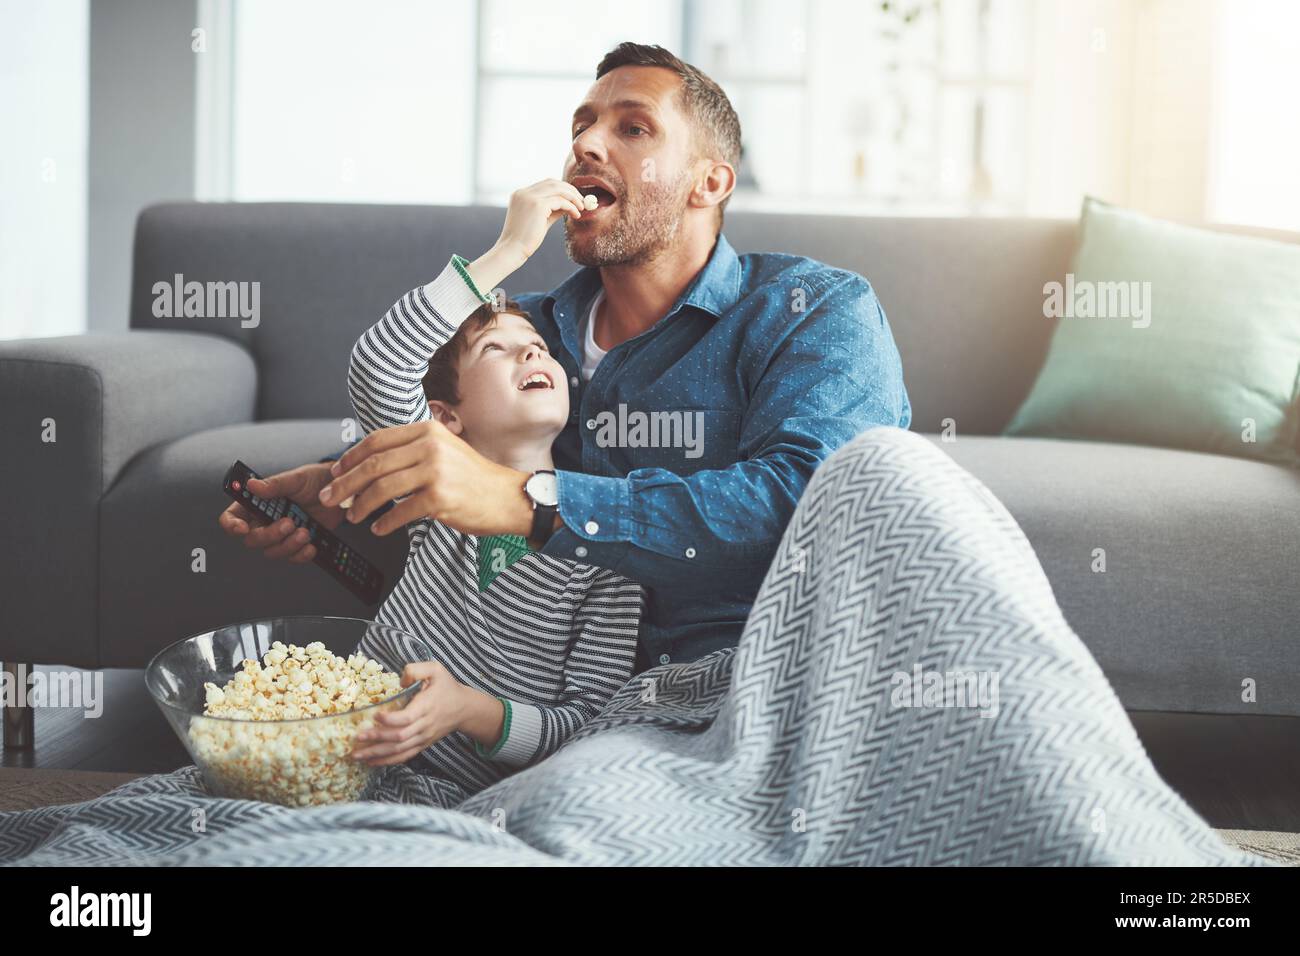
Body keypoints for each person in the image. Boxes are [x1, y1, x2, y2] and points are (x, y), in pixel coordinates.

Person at [333, 180, 643, 804]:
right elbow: (378, 366)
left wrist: (466, 710)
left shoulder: (604, 545)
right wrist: (507, 252)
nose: (529, 352)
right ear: (445, 418)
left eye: (536, 347)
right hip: (345, 751)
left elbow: (586, 725)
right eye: (495, 350)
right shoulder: (436, 489)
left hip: (472, 799)